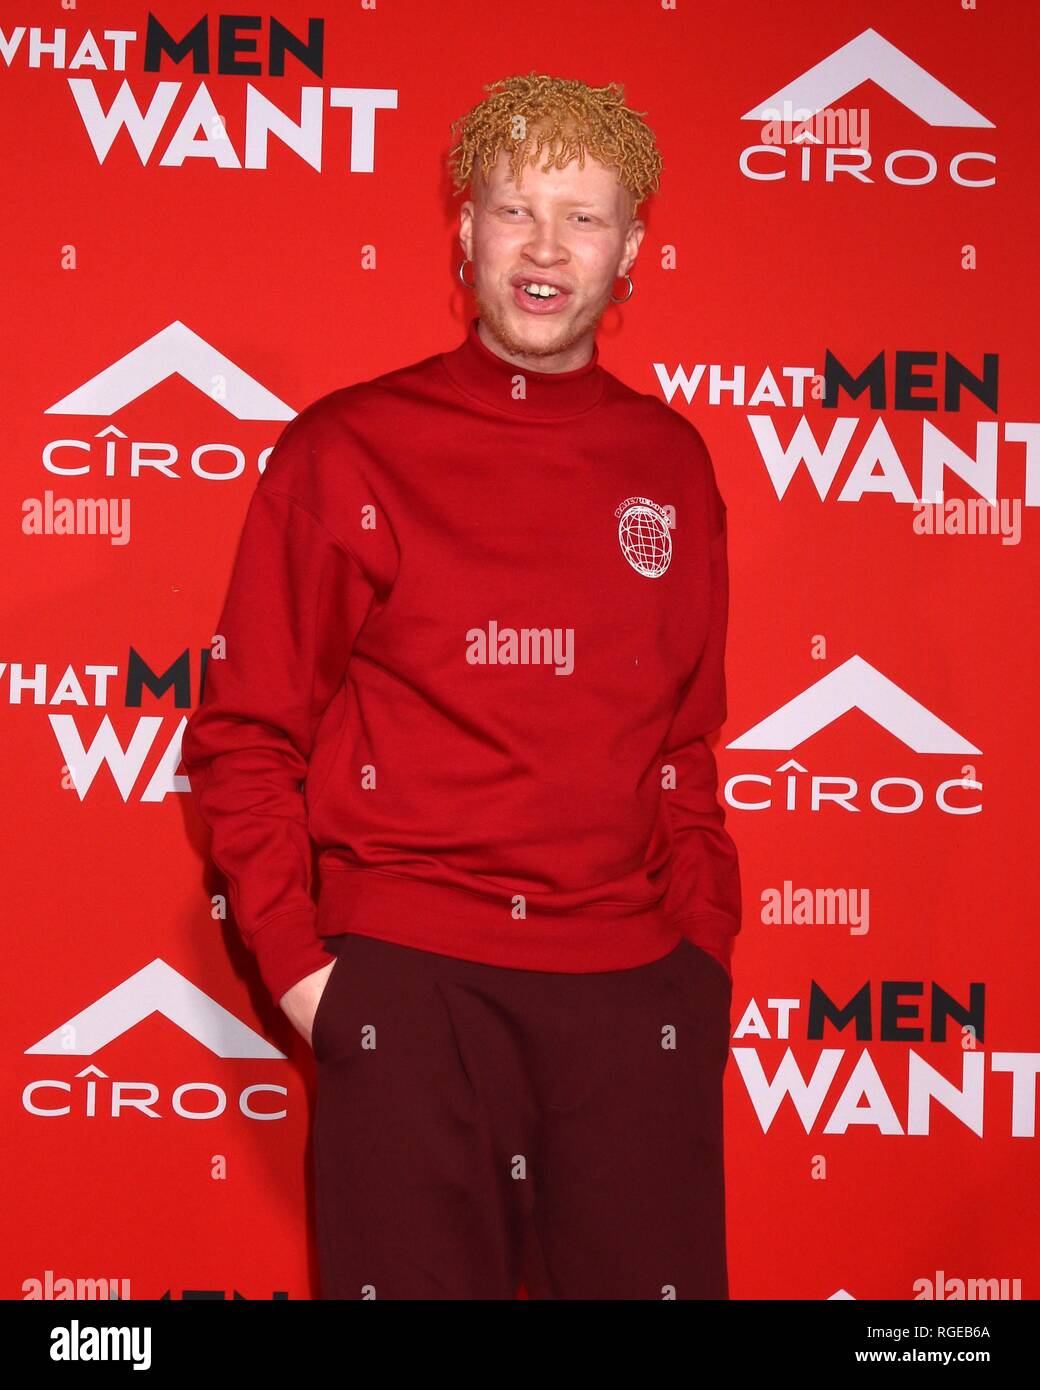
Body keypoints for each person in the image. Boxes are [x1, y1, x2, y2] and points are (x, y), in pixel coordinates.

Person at [181, 71, 742, 1300]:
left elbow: (683, 747)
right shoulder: (348, 447)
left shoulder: (669, 460)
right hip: (409, 988)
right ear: (464, 231)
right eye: (513, 212)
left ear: (631, 249)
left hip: (634, 997)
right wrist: (312, 981)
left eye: (582, 218)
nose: (544, 250)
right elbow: (244, 735)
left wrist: (699, 966)